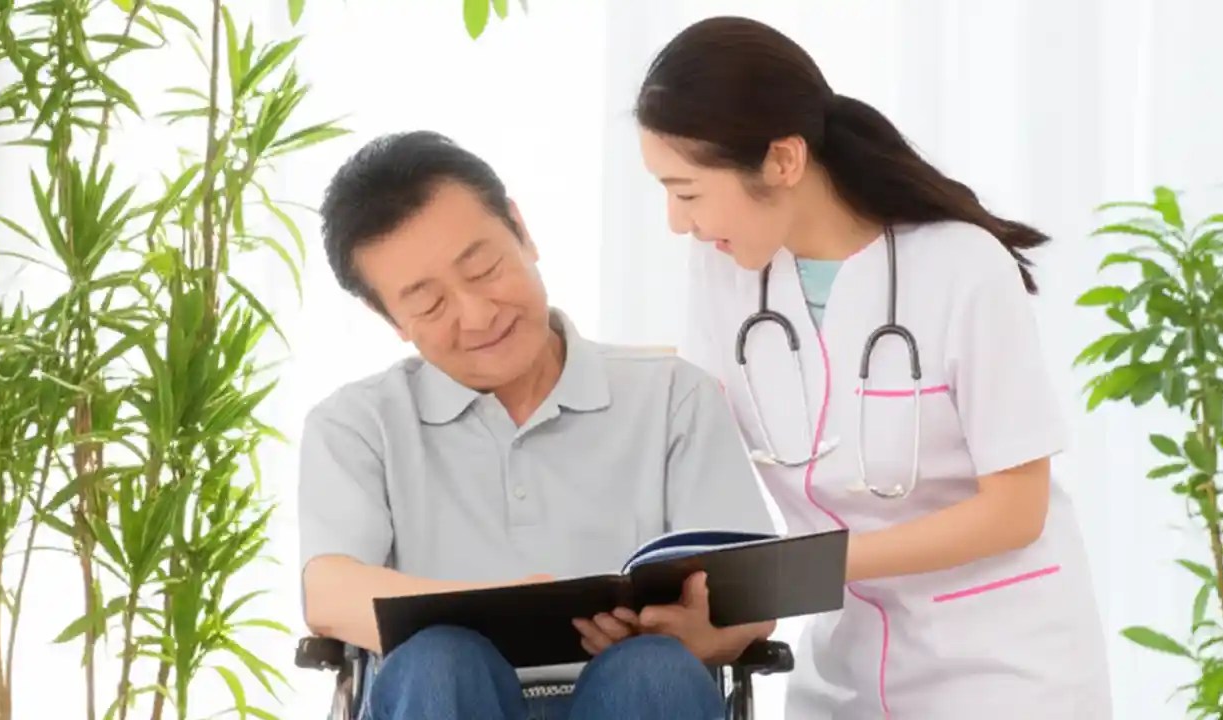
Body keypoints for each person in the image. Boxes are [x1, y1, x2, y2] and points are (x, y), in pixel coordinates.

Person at [632, 16, 1112, 720]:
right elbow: (707, 458)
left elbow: (1016, 509)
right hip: (845, 672)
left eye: (689, 192)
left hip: (1005, 668)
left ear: (783, 160)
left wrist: (803, 570)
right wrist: (721, 613)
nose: (678, 222)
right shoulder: (722, 275)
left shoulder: (960, 266)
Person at [298, 130, 776, 720]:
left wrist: (704, 638)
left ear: (522, 231)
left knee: (653, 670)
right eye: (429, 304)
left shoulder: (674, 396)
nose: (478, 316)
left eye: (484, 269)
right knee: (437, 661)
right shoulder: (357, 424)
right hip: (442, 701)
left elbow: (754, 596)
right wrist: (509, 609)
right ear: (388, 315)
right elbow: (329, 594)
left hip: (640, 700)